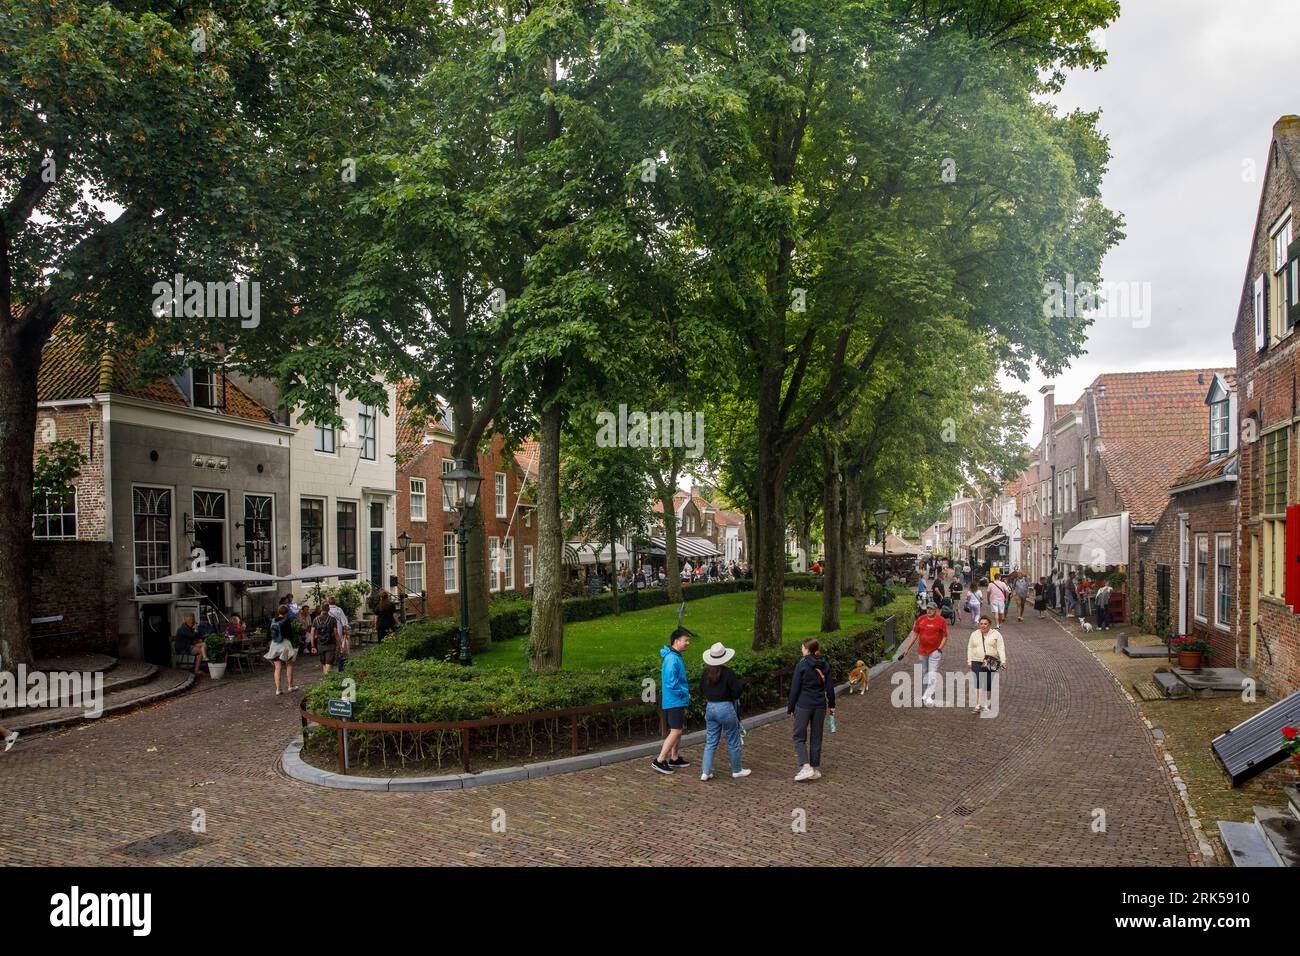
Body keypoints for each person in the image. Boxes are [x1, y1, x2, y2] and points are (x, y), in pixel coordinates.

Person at [698, 642, 750, 780]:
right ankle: (736, 770)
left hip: (710, 707)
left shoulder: (706, 673)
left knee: (711, 741)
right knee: (733, 740)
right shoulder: (728, 673)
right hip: (725, 707)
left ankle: (705, 772)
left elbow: (701, 690)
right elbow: (737, 692)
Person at [788, 637, 835, 781]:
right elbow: (830, 687)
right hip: (820, 705)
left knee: (799, 736)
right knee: (816, 737)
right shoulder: (825, 665)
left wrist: (790, 707)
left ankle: (806, 766)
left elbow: (795, 688)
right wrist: (832, 705)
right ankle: (814, 769)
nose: (801, 649)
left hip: (804, 705)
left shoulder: (802, 665)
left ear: (807, 649)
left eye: (803, 647)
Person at [652, 628, 693, 774]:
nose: (687, 643)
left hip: (676, 699)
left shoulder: (674, 656)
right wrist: (683, 693)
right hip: (674, 700)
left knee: (678, 730)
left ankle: (674, 758)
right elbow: (671, 682)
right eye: (685, 640)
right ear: (676, 641)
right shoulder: (672, 658)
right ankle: (660, 760)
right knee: (676, 731)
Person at [908, 601, 949, 706]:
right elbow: (915, 633)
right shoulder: (921, 619)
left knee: (932, 673)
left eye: (931, 609)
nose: (929, 610)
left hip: (935, 651)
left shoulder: (941, 621)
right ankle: (927, 693)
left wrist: (939, 648)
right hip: (922, 651)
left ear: (936, 610)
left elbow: (945, 636)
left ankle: (928, 696)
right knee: (925, 672)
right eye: (928, 608)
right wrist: (908, 648)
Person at [967, 615, 1008, 714]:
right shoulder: (974, 634)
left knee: (988, 684)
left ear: (990, 625)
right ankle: (978, 705)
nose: (983, 626)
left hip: (990, 661)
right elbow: (970, 648)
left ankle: (985, 704)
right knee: (978, 683)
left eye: (985, 624)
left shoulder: (996, 635)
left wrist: (1003, 661)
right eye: (981, 624)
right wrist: (969, 661)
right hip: (976, 661)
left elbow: (1000, 648)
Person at [264, 604, 299, 694]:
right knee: (289, 664)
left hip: (274, 645)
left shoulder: (272, 621)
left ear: (278, 611)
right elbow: (290, 634)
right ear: (287, 612)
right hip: (285, 644)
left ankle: (278, 689)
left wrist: (270, 644)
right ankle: (290, 686)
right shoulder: (286, 621)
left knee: (277, 667)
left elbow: (268, 635)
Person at [311, 605, 341, 674]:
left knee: (324, 663)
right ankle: (328, 679)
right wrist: (339, 644)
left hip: (320, 644)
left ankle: (326, 678)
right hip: (331, 644)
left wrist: (313, 646)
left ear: (321, 609)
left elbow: (312, 633)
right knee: (329, 663)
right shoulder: (332, 619)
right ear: (329, 609)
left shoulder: (316, 619)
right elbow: (335, 633)